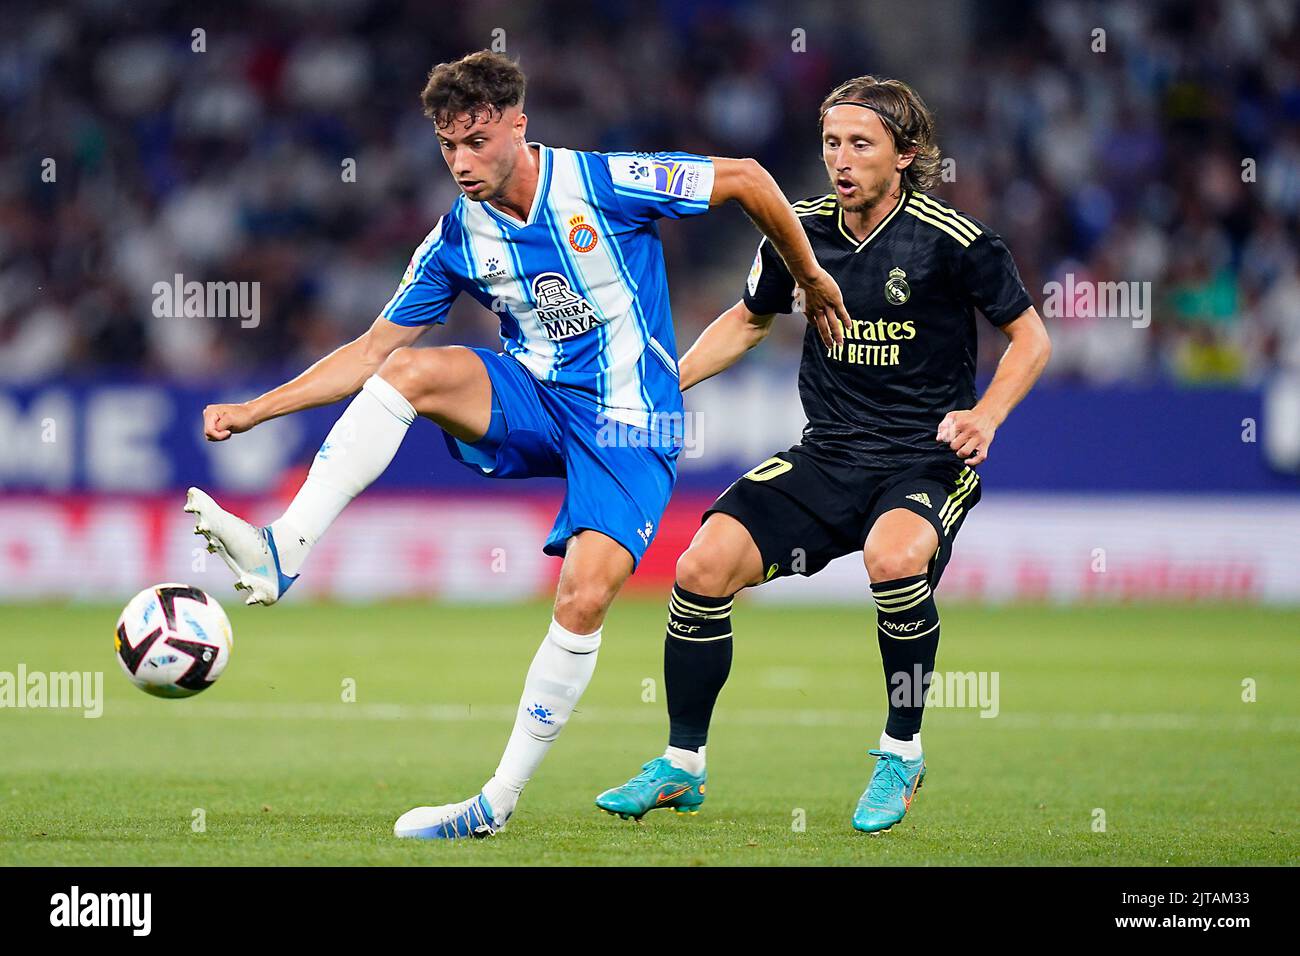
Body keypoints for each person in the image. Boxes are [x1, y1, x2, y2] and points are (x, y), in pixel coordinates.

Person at [183, 50, 850, 840]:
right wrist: (259, 409)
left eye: (476, 141)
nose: (461, 163)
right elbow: (366, 354)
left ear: (517, 127)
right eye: (447, 147)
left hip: (629, 422)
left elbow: (744, 176)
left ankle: (494, 802)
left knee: (583, 596)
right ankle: (281, 548)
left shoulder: (601, 182)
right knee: (406, 370)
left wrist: (807, 274)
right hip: (534, 398)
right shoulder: (457, 239)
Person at [595, 75, 1051, 834]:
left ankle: (900, 753)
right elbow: (747, 320)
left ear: (905, 155)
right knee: (702, 566)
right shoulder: (797, 229)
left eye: (861, 144)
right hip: (827, 455)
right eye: (832, 143)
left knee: (894, 558)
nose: (841, 159)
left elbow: (1031, 337)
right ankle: (681, 765)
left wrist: (988, 412)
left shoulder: (955, 240)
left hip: (923, 458)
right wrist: (668, 386)